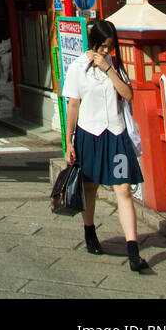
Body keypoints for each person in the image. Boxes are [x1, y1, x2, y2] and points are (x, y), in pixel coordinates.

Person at [63, 18, 148, 272]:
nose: (106, 51)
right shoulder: (77, 67)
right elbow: (73, 104)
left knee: (123, 190)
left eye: (110, 47)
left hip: (116, 134)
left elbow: (128, 95)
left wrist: (108, 68)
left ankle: (133, 250)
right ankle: (90, 233)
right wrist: (68, 140)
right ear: (94, 42)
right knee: (90, 188)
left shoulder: (115, 66)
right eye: (103, 46)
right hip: (89, 133)